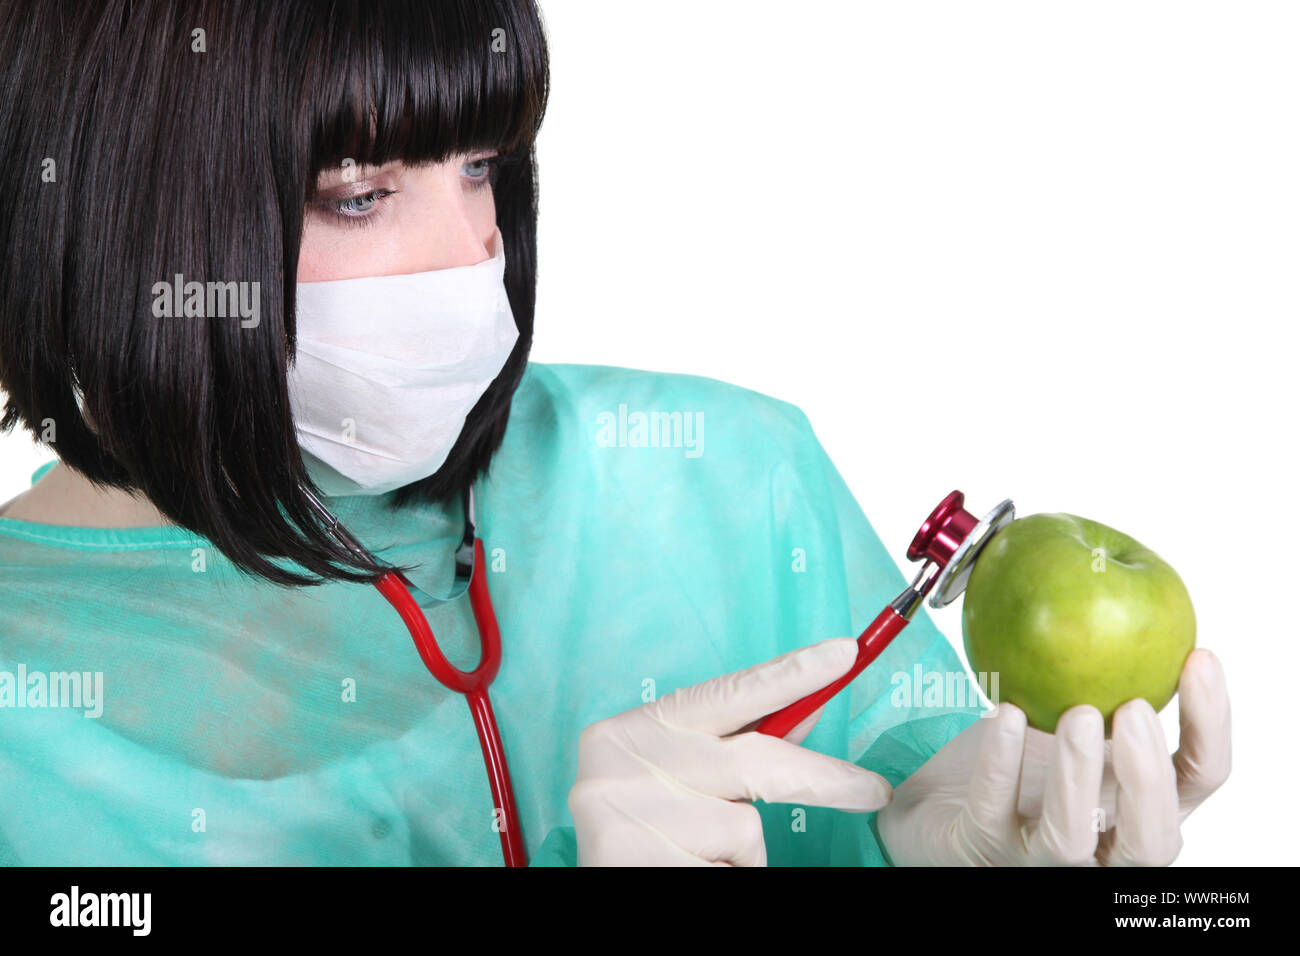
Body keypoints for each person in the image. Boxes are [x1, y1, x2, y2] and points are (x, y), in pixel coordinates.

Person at [0, 0, 1229, 867]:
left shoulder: (728, 474)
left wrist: (922, 856)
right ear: (122, 209)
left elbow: (928, 793)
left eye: (484, 167)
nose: (471, 260)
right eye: (360, 194)